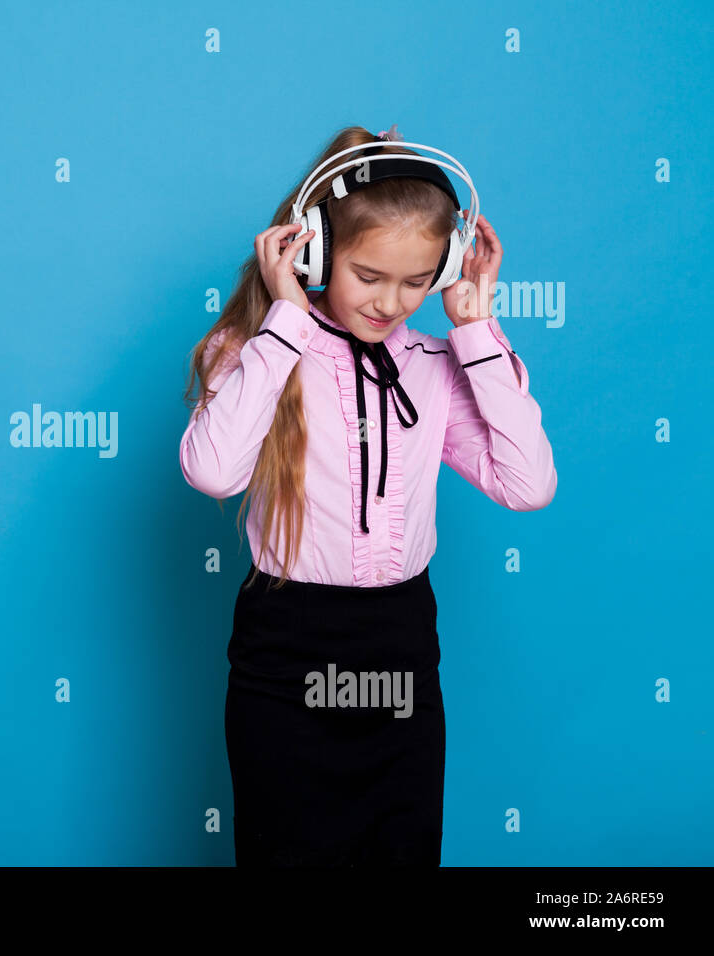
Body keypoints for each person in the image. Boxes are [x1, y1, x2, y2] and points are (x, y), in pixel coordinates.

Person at [179, 125, 556, 866]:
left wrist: (477, 331)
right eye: (369, 275)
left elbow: (528, 483)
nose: (392, 302)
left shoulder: (435, 364)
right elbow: (214, 472)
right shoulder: (257, 350)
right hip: (285, 651)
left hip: (398, 646)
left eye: (418, 280)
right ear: (314, 253)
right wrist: (285, 320)